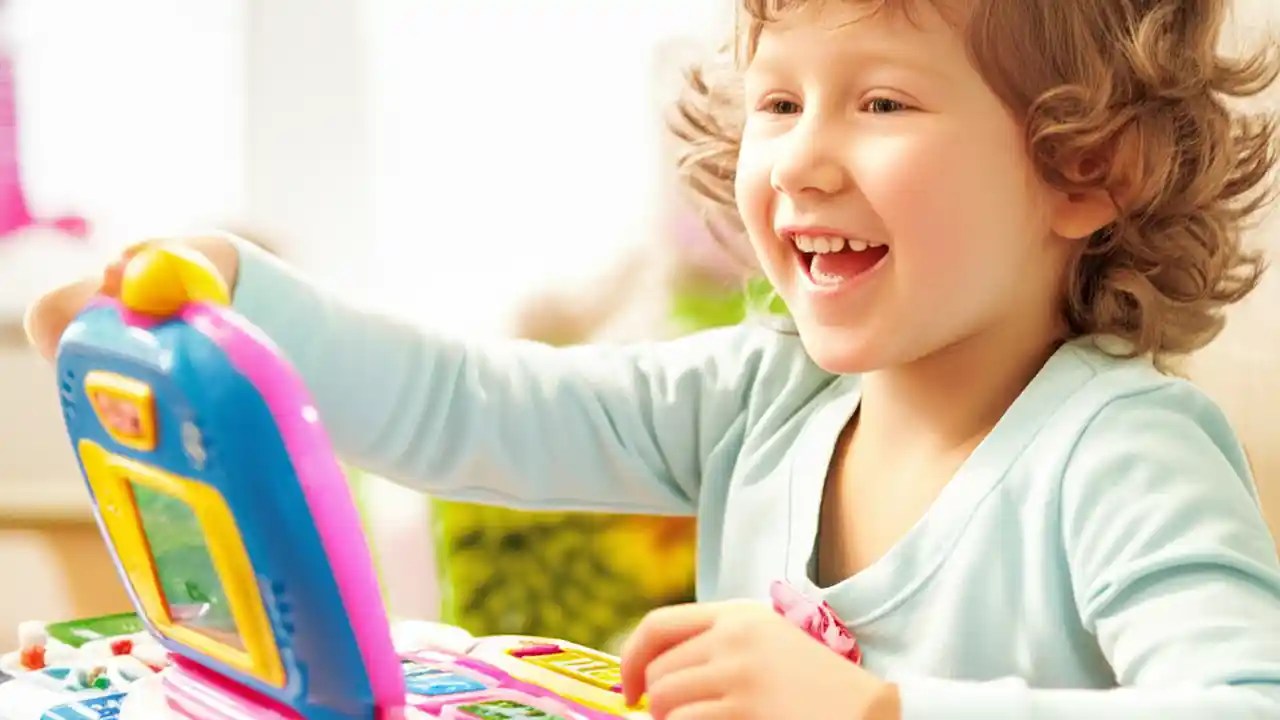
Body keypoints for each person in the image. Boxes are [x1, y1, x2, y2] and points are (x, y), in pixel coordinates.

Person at [25, 1, 1280, 718]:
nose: (798, 158)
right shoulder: (758, 394)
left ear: (1085, 171)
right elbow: (463, 403)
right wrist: (229, 291)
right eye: (778, 103)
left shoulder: (1119, 451)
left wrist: (877, 710)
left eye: (880, 103)